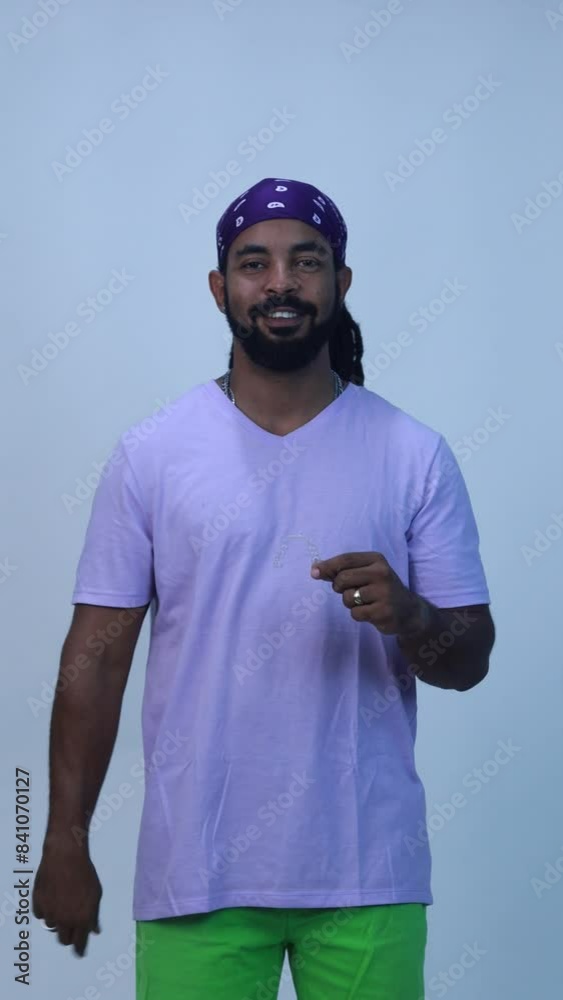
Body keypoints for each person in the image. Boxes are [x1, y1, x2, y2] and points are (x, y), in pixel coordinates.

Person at [32, 176, 495, 999]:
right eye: (254, 264)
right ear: (220, 288)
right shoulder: (153, 454)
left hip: (366, 875)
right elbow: (95, 662)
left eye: (304, 261)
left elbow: (468, 660)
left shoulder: (412, 454)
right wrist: (63, 839)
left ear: (339, 282)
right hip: (195, 876)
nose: (280, 282)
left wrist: (413, 615)